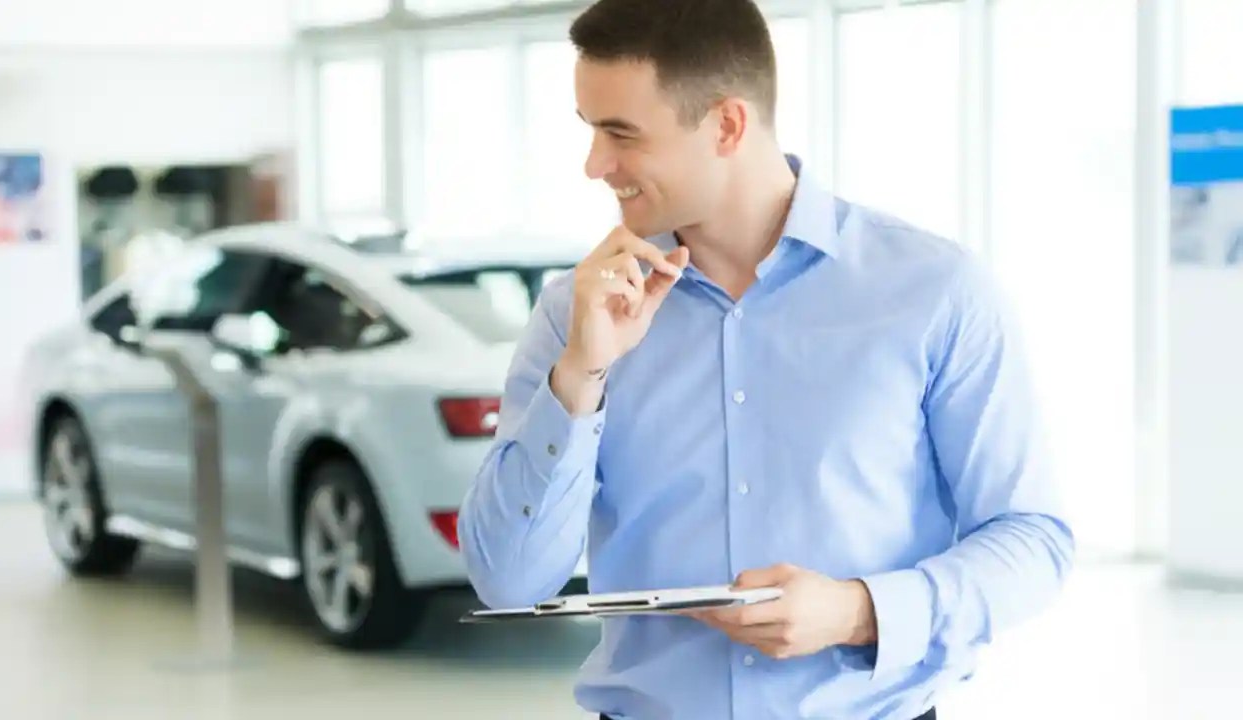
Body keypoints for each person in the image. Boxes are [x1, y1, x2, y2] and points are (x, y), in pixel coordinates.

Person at [457, 0, 1075, 717]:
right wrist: (580, 376)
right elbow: (508, 581)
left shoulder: (936, 291)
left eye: (620, 134)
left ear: (726, 125)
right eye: (591, 131)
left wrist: (859, 610)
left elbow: (1033, 540)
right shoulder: (576, 314)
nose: (596, 165)